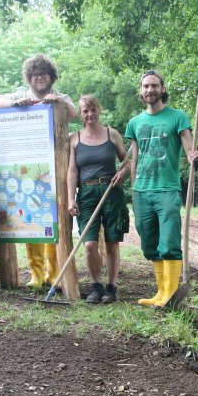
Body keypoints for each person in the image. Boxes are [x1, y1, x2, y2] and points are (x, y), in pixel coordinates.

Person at [0, 54, 77, 288]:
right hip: (27, 169)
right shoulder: (20, 94)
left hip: (54, 168)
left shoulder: (60, 95)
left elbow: (74, 112)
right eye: (35, 75)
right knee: (31, 218)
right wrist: (15, 104)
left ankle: (53, 273)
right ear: (29, 77)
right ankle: (36, 274)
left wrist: (56, 101)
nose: (39, 79)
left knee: (53, 219)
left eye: (44, 74)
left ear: (51, 77)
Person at [125, 70, 198, 308]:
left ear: (162, 88)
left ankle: (170, 294)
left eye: (154, 86)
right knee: (149, 244)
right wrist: (133, 186)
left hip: (167, 189)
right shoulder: (135, 123)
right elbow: (135, 158)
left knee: (168, 242)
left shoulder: (177, 117)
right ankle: (160, 293)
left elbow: (191, 152)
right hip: (142, 192)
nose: (149, 90)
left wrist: (197, 158)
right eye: (145, 86)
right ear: (141, 91)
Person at [67, 95, 130, 304]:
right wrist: (70, 199)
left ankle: (111, 288)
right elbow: (72, 171)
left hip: (111, 192)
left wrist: (123, 173)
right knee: (89, 244)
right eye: (85, 111)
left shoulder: (112, 134)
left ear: (99, 110)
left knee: (112, 242)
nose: (90, 114)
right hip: (86, 194)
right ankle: (96, 285)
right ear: (81, 114)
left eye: (93, 109)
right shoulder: (74, 138)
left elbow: (127, 162)